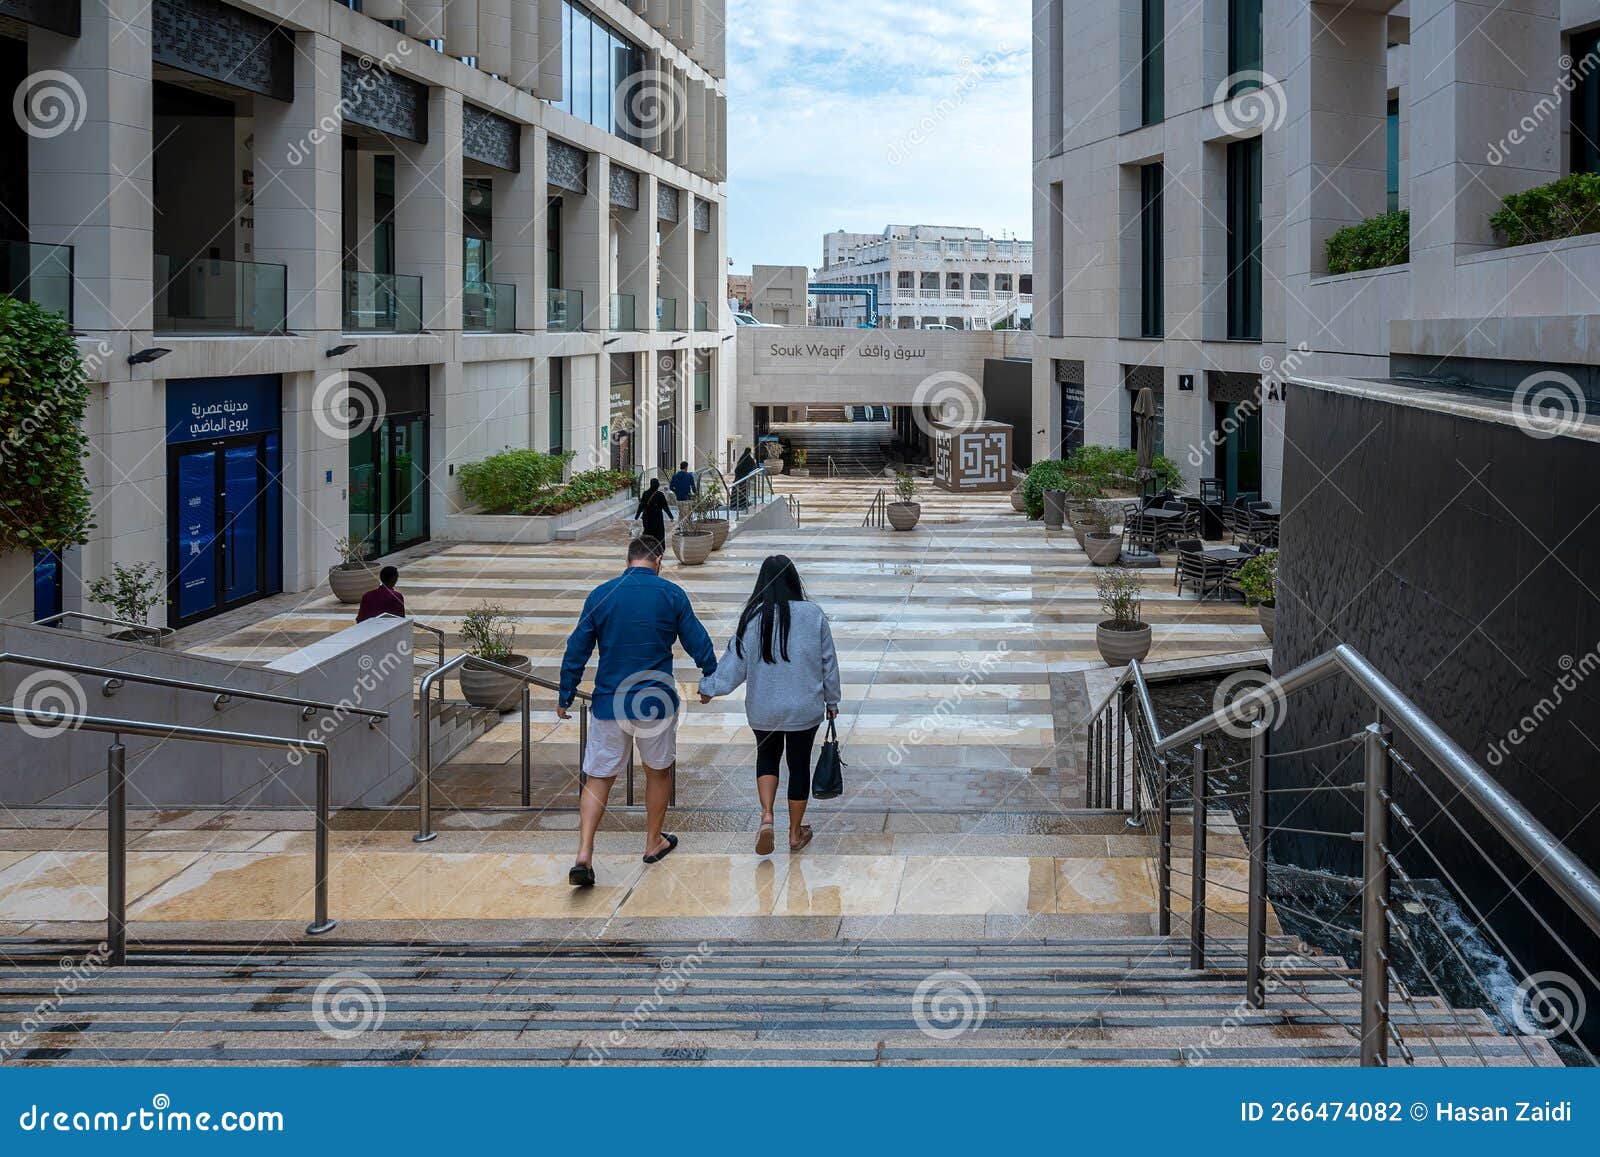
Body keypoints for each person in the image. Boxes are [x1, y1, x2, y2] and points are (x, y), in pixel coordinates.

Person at [557, 536, 718, 885]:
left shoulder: (601, 595)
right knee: (657, 772)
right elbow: (696, 638)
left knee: (598, 776)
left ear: (627, 560)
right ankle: (652, 842)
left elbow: (577, 647)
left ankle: (584, 852)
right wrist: (710, 676)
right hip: (655, 700)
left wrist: (565, 693)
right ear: (657, 560)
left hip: (609, 700)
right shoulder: (671, 595)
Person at [698, 555, 840, 854]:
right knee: (799, 765)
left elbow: (734, 664)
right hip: (804, 708)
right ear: (793, 580)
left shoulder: (752, 618)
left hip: (763, 709)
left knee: (767, 757)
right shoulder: (814, 615)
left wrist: (710, 687)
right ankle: (794, 832)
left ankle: (766, 816)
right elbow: (828, 662)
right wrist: (832, 700)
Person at [634, 477, 674, 546]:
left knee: (647, 532)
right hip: (657, 517)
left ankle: (647, 547)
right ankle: (659, 548)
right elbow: (665, 507)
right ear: (658, 485)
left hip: (647, 517)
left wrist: (636, 516)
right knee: (659, 533)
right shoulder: (660, 495)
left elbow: (641, 506)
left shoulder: (645, 493)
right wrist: (671, 516)